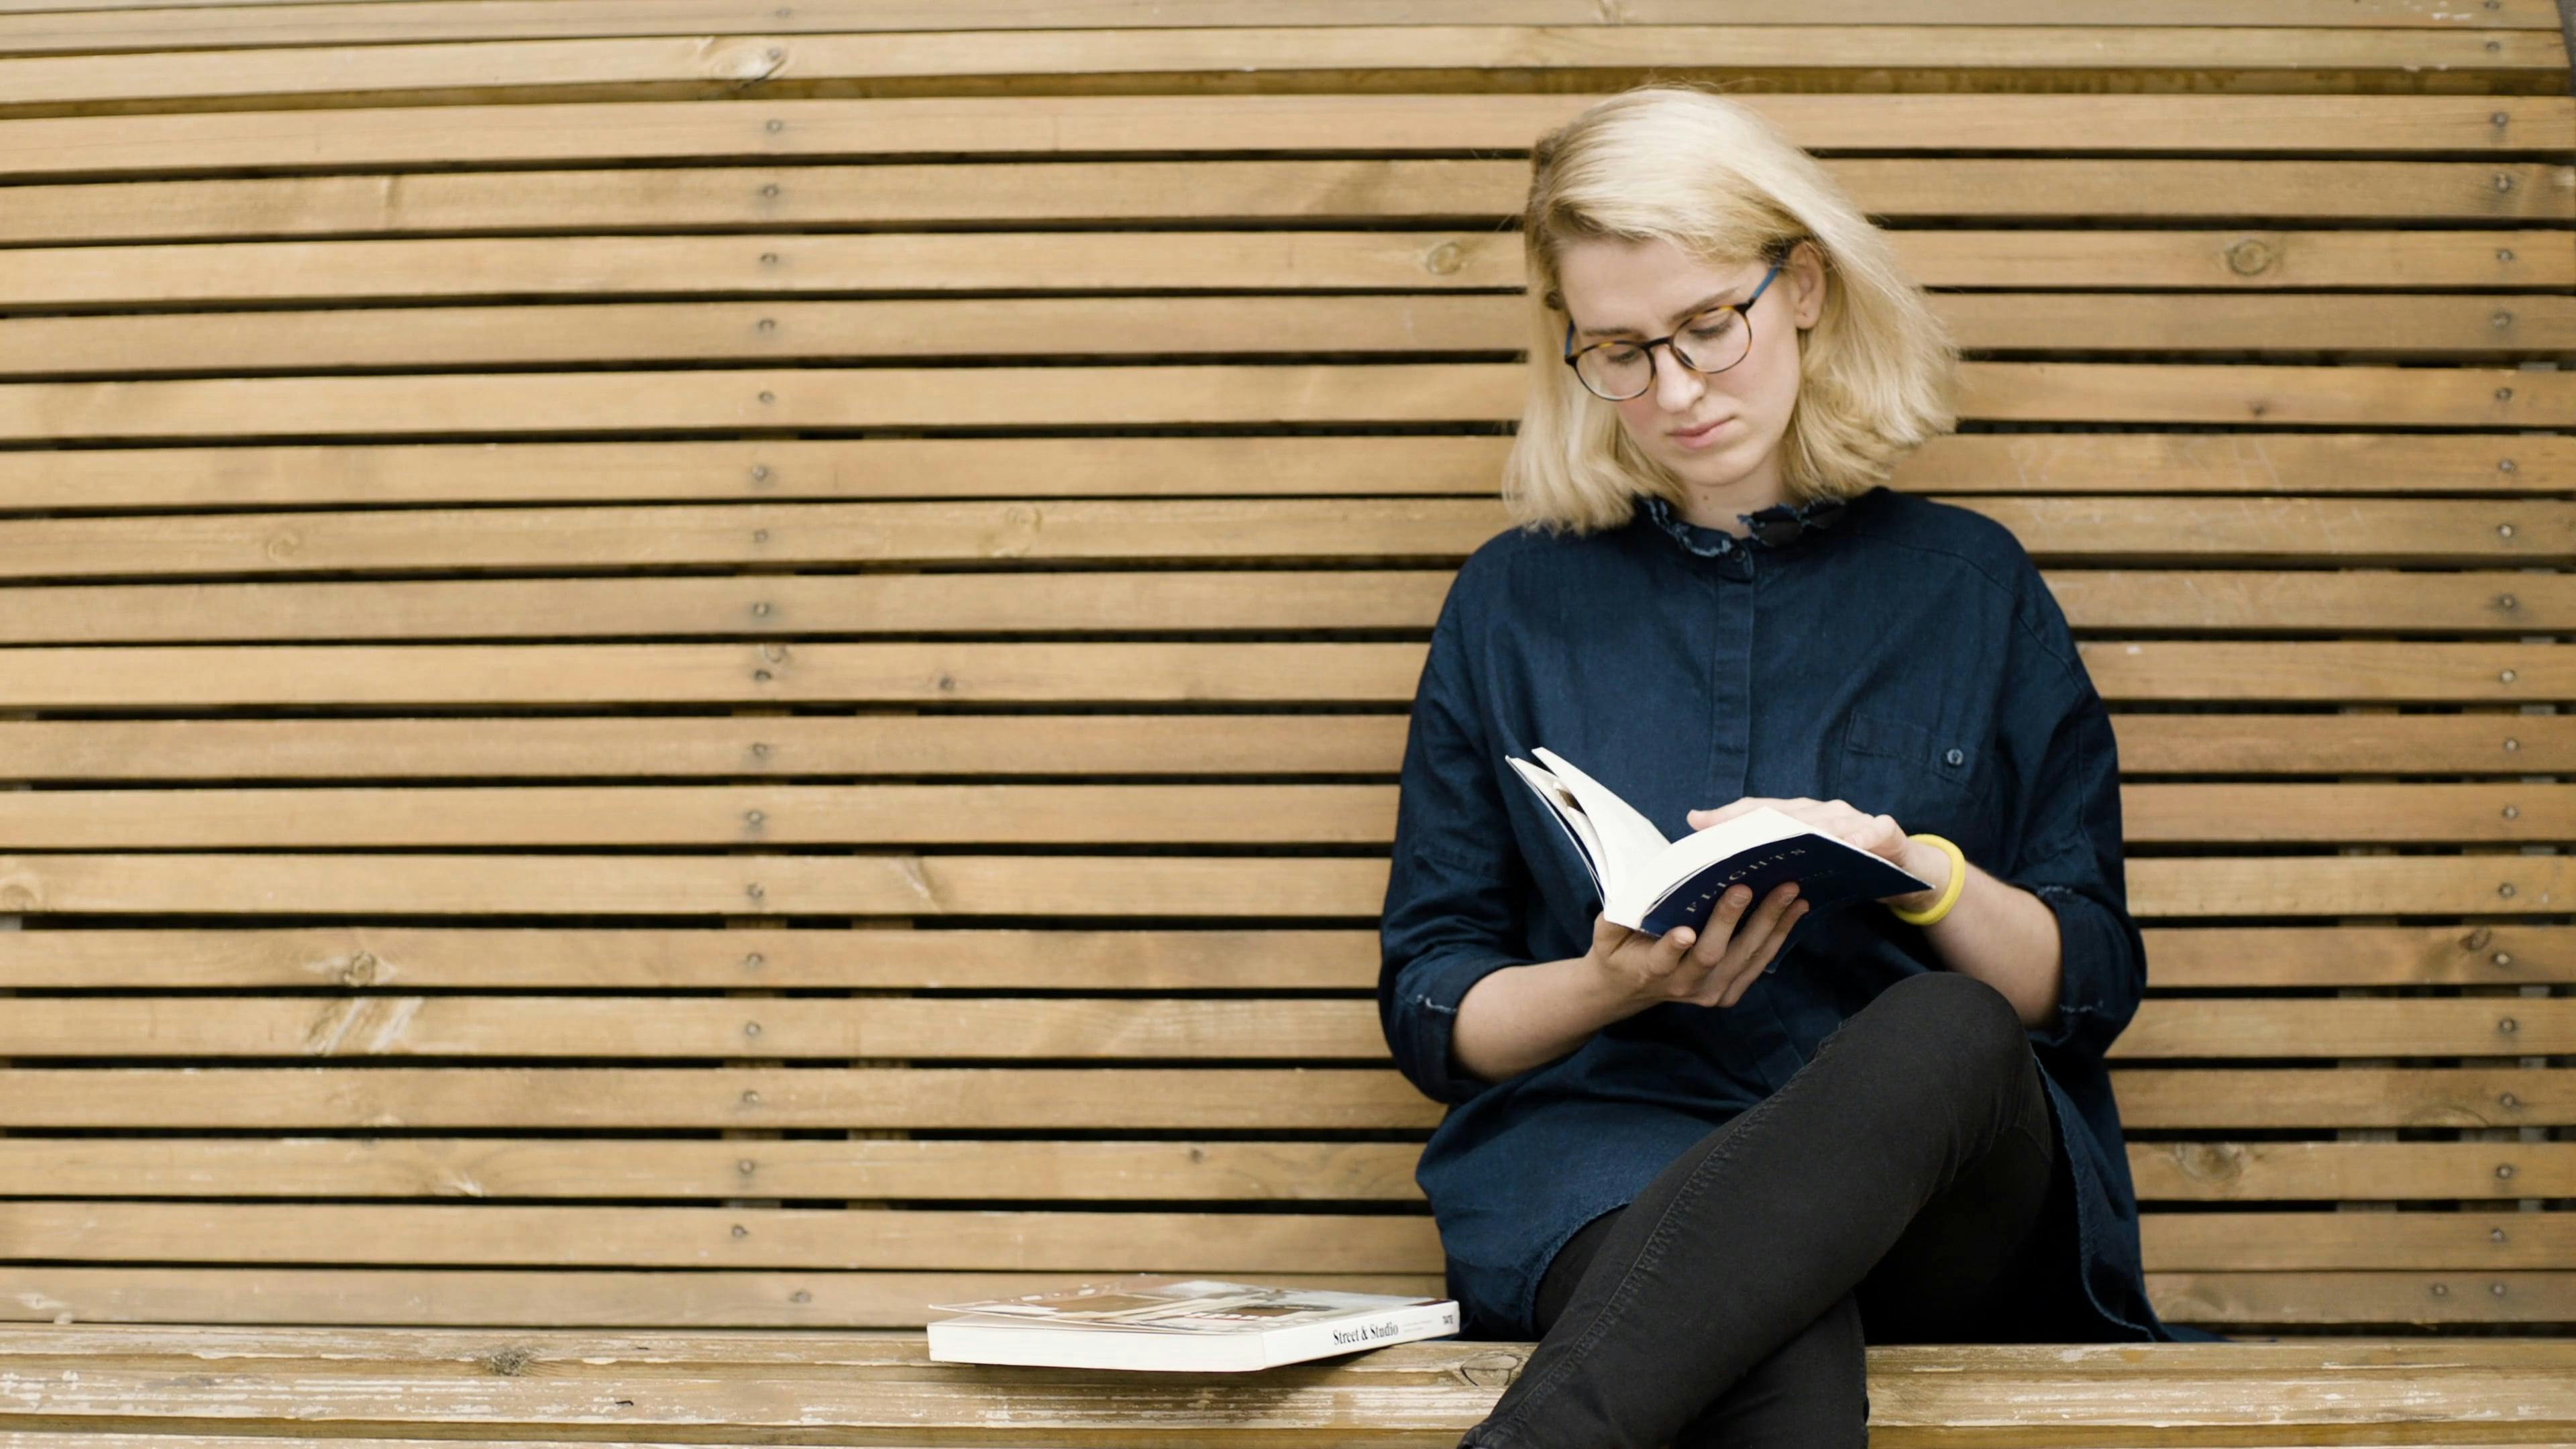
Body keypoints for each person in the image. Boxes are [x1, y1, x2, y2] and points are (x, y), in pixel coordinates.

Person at [1376, 83, 2214, 1449]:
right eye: (1620, 351)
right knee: (1771, 1342)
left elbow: (2090, 981)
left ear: (1805, 285)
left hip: (1939, 1192)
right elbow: (1432, 1001)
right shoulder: (1514, 603)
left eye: (1711, 325)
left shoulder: (1969, 586)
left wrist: (1917, 875)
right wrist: (1606, 983)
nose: (1676, 391)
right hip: (1609, 1156)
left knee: (1951, 1029)